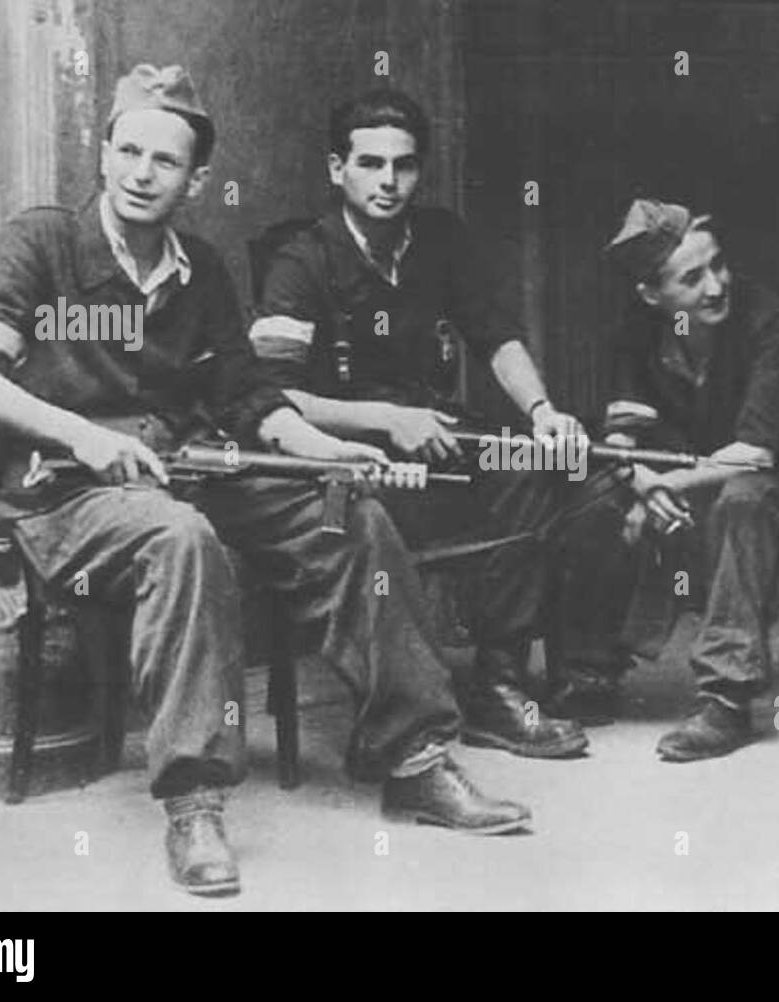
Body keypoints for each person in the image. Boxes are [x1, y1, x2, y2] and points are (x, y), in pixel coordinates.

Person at [0, 65, 531, 898]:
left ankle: (416, 759)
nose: (143, 174)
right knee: (182, 539)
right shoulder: (41, 243)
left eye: (166, 161)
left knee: (346, 510)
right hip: (64, 491)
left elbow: (246, 396)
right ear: (102, 154)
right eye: (129, 151)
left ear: (196, 179)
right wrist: (83, 436)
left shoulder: (201, 270)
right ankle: (195, 801)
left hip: (185, 470)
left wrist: (320, 447)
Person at [249, 88, 592, 756]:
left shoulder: (440, 239)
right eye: (370, 163)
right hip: (340, 461)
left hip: (434, 444)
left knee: (535, 464)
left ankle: (496, 685)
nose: (387, 181)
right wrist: (383, 417)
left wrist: (542, 412)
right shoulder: (303, 260)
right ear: (335, 169)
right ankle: (402, 707)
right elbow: (268, 395)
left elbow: (495, 336)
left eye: (403, 165)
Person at [552, 198, 779, 759]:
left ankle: (727, 699)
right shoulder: (639, 331)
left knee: (741, 499)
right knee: (600, 494)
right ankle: (592, 669)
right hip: (683, 488)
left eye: (717, 265)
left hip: (778, 494)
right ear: (652, 296)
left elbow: (756, 454)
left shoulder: (770, 321)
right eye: (692, 278)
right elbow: (620, 439)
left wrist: (663, 484)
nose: (716, 286)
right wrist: (641, 481)